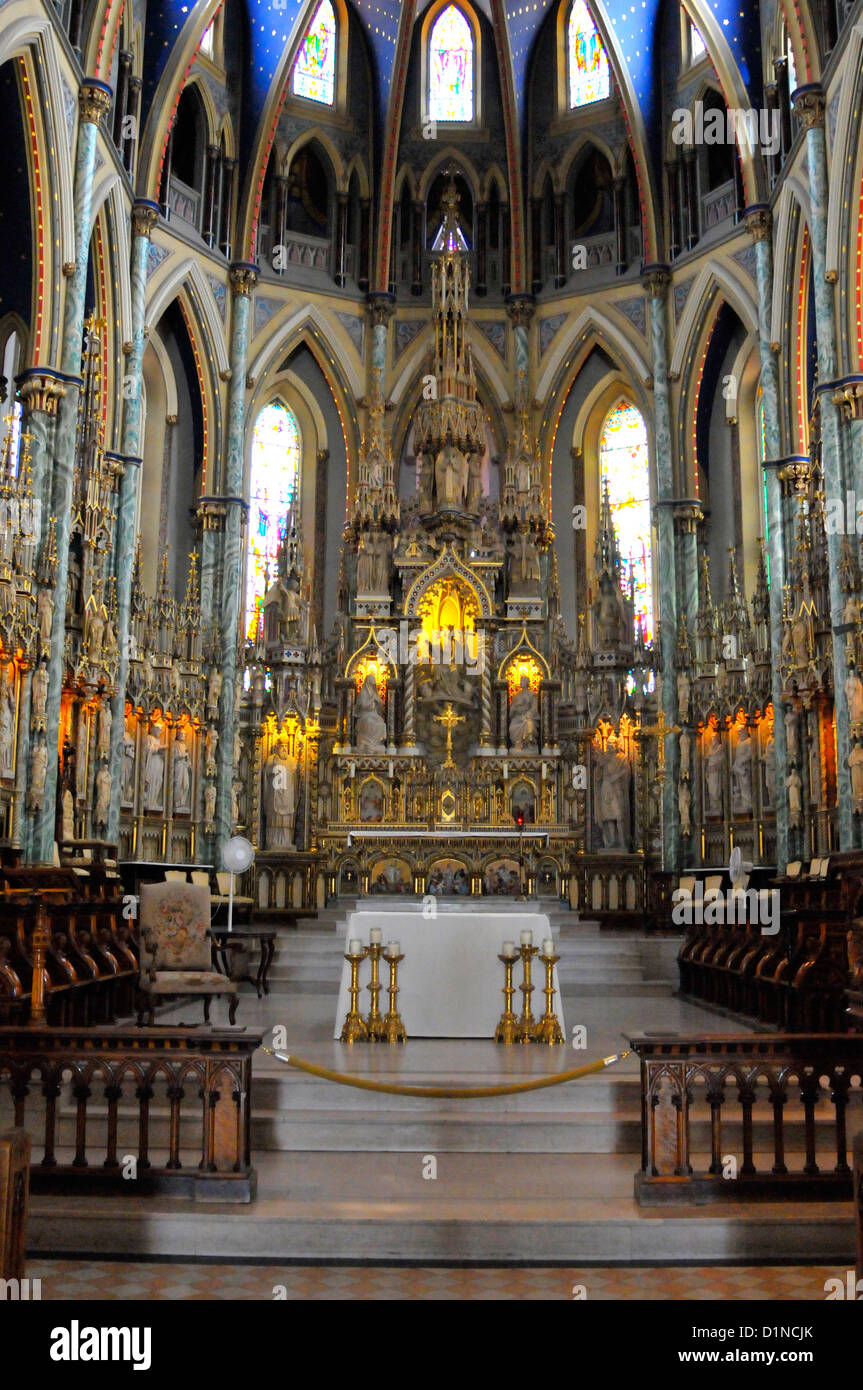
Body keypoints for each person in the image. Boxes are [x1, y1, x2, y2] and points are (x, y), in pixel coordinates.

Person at [354, 672, 386, 752]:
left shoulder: (375, 693)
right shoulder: (363, 693)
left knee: (381, 722)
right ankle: (366, 742)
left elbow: (379, 707)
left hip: (373, 714)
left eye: (373, 684)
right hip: (364, 714)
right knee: (368, 721)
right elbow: (363, 706)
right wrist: (372, 700)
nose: (373, 686)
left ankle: (376, 743)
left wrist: (380, 704)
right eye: (371, 684)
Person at [509, 674, 539, 751]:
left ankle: (529, 744)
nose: (521, 682)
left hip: (528, 716)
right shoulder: (517, 695)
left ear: (527, 682)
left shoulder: (532, 694)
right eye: (520, 681)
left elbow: (534, 708)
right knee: (512, 726)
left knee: (529, 724)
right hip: (517, 717)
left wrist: (528, 714)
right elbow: (512, 707)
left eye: (522, 681)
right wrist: (514, 710)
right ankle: (517, 743)